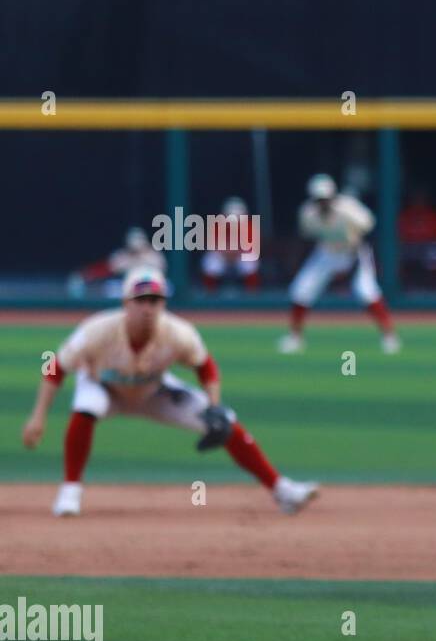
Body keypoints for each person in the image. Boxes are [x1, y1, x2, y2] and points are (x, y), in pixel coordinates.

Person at [22, 266, 319, 517]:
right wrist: (38, 417)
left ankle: (281, 490)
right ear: (126, 303)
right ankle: (70, 491)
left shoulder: (179, 332)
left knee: (227, 422)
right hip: (104, 386)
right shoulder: (97, 330)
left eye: (155, 300)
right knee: (87, 407)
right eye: (141, 300)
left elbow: (206, 367)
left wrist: (214, 406)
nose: (148, 308)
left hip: (153, 391)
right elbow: (55, 367)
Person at [279, 174, 400, 354]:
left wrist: (357, 264)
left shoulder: (348, 209)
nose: (323, 203)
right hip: (326, 252)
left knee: (367, 291)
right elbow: (306, 238)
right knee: (301, 289)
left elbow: (368, 231)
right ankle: (295, 338)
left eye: (326, 199)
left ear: (333, 197)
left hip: (353, 252)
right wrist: (297, 262)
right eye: (319, 199)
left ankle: (389, 336)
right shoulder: (308, 213)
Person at [67, 227, 166, 299]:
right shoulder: (121, 256)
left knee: (167, 288)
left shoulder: (154, 256)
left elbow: (162, 273)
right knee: (111, 288)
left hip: (150, 286)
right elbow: (106, 269)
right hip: (128, 287)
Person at [200, 197, 261, 294]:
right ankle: (210, 293)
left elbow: (250, 247)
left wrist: (233, 251)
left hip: (240, 257)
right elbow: (212, 246)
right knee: (210, 262)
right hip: (223, 257)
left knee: (251, 260)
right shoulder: (218, 225)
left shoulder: (249, 226)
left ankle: (252, 293)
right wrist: (229, 252)